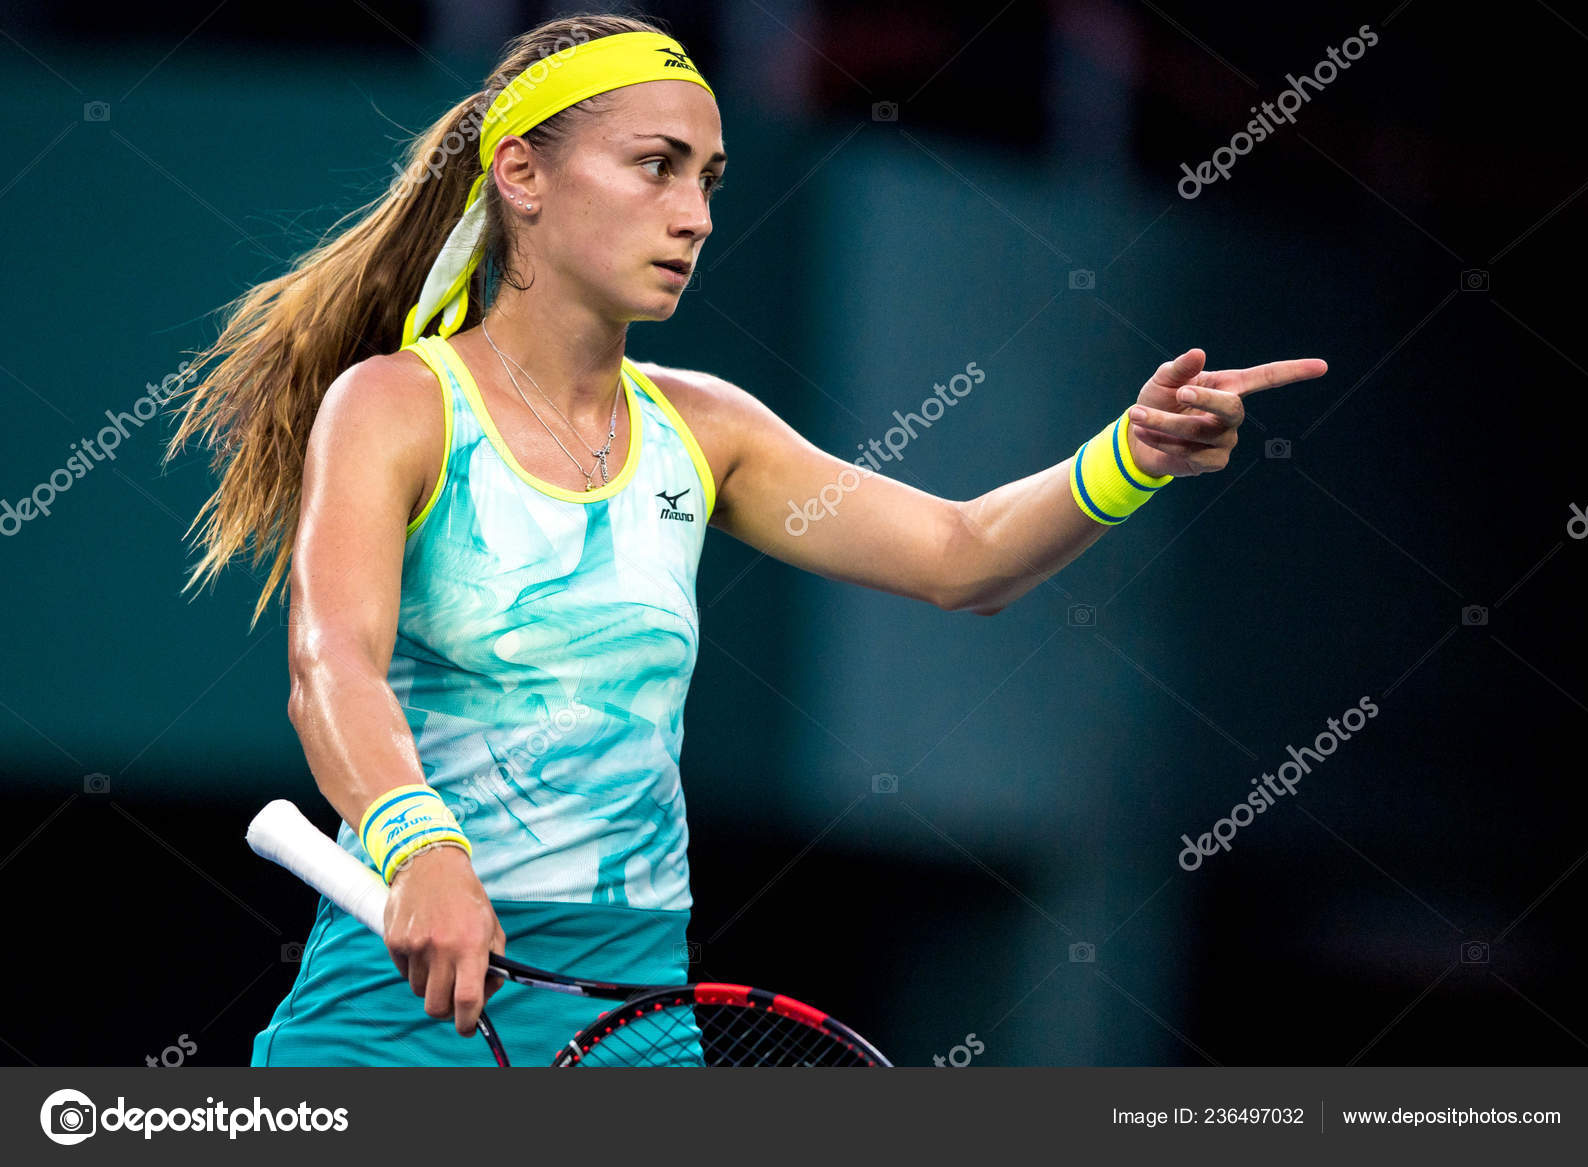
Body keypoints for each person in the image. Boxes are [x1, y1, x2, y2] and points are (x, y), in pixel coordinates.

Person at [163, 13, 1326, 1066]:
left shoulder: (704, 429)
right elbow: (330, 666)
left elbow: (961, 555)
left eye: (710, 179)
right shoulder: (396, 404)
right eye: (655, 167)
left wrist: (1131, 452)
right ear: (520, 173)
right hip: (397, 1003)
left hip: (634, 1014)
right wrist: (423, 855)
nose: (697, 215)